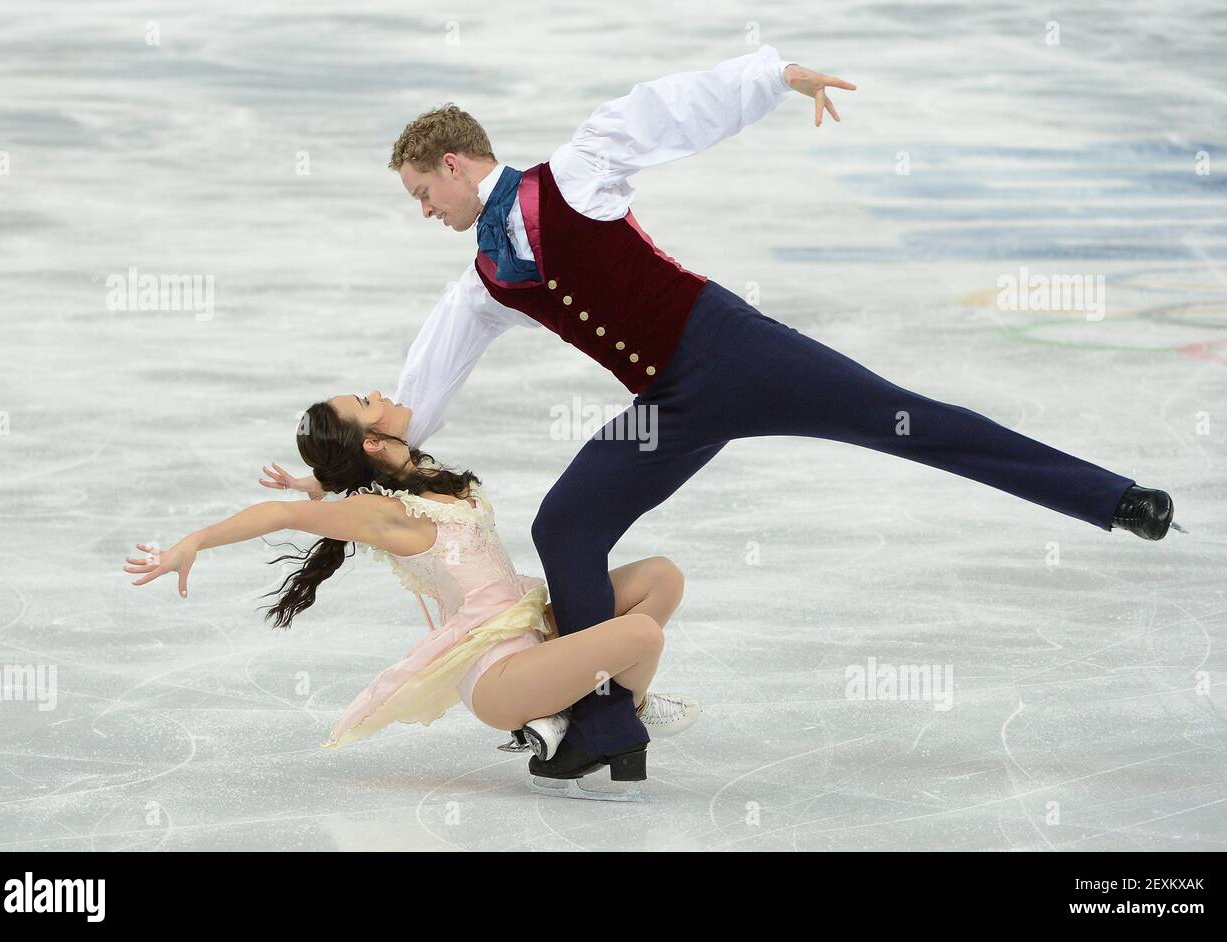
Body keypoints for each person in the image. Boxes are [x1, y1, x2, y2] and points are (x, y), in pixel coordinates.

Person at [284, 43, 1179, 785]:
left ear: (453, 164)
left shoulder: (579, 170)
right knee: (568, 523)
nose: (426, 212)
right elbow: (416, 399)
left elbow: (668, 107)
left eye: (422, 194)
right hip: (670, 404)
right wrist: (331, 478)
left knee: (909, 418)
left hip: (734, 350)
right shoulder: (486, 282)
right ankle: (605, 724)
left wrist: (775, 78)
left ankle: (1112, 498)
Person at [124, 390, 699, 798]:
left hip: (533, 626)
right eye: (367, 403)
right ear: (373, 441)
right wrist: (195, 540)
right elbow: (279, 514)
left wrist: (321, 479)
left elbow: (362, 454)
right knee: (641, 634)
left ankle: (569, 715)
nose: (380, 392)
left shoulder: (416, 465)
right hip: (497, 671)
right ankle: (616, 710)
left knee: (660, 578)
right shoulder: (388, 514)